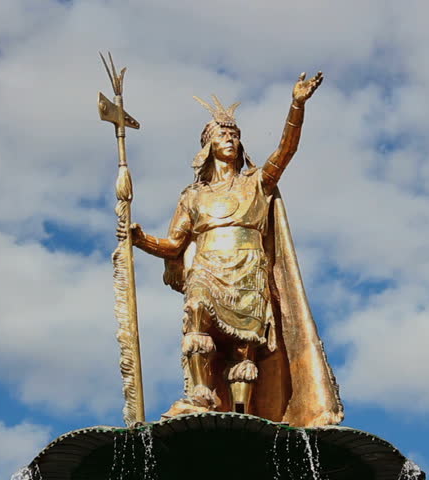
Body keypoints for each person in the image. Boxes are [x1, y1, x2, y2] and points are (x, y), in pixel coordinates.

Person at [118, 72, 343, 427]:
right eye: (223, 135)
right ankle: (200, 396)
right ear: (207, 145)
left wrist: (296, 105)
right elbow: (175, 244)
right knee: (195, 309)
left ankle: (242, 415)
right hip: (207, 267)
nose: (231, 140)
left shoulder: (257, 183)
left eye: (235, 136)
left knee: (243, 347)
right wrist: (140, 238)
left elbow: (286, 150)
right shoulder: (193, 196)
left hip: (248, 269)